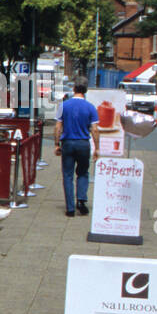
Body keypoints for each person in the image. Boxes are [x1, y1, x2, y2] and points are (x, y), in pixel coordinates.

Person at [54, 83, 99, 217]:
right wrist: (97, 148)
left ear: (73, 89)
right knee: (83, 172)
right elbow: (95, 130)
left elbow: (57, 127)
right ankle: (81, 199)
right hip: (83, 143)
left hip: (68, 143)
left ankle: (70, 208)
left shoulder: (64, 106)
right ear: (85, 91)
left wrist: (57, 144)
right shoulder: (91, 107)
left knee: (68, 175)